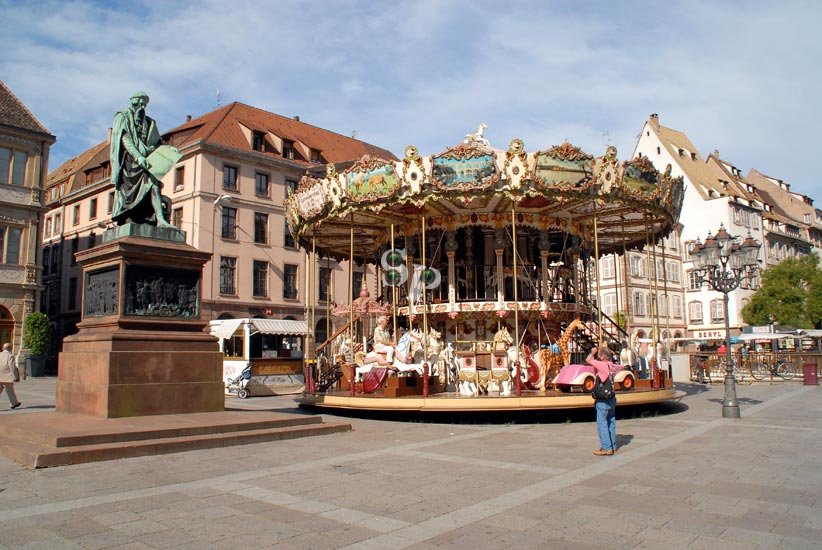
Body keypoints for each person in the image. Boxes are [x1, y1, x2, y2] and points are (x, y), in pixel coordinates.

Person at [110, 91, 175, 228]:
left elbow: (157, 142)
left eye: (143, 104)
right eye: (138, 103)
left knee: (154, 185)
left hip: (147, 160)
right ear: (132, 102)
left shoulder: (150, 122)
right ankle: (129, 215)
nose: (140, 106)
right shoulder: (123, 116)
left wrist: (169, 149)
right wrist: (138, 156)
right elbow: (124, 139)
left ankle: (160, 219)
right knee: (129, 192)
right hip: (130, 162)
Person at [586, 345, 616, 456]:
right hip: (612, 398)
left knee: (602, 423)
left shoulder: (602, 365)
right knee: (611, 422)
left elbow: (588, 360)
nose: (598, 358)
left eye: (599, 356)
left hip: (603, 400)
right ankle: (613, 445)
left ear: (603, 356)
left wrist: (593, 352)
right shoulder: (612, 366)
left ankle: (606, 447)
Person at [0, 343, 21, 410]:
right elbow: (12, 367)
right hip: (6, 376)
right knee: (10, 390)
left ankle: (14, 403)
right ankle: (14, 403)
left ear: (3, 348)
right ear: (10, 348)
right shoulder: (10, 355)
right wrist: (16, 377)